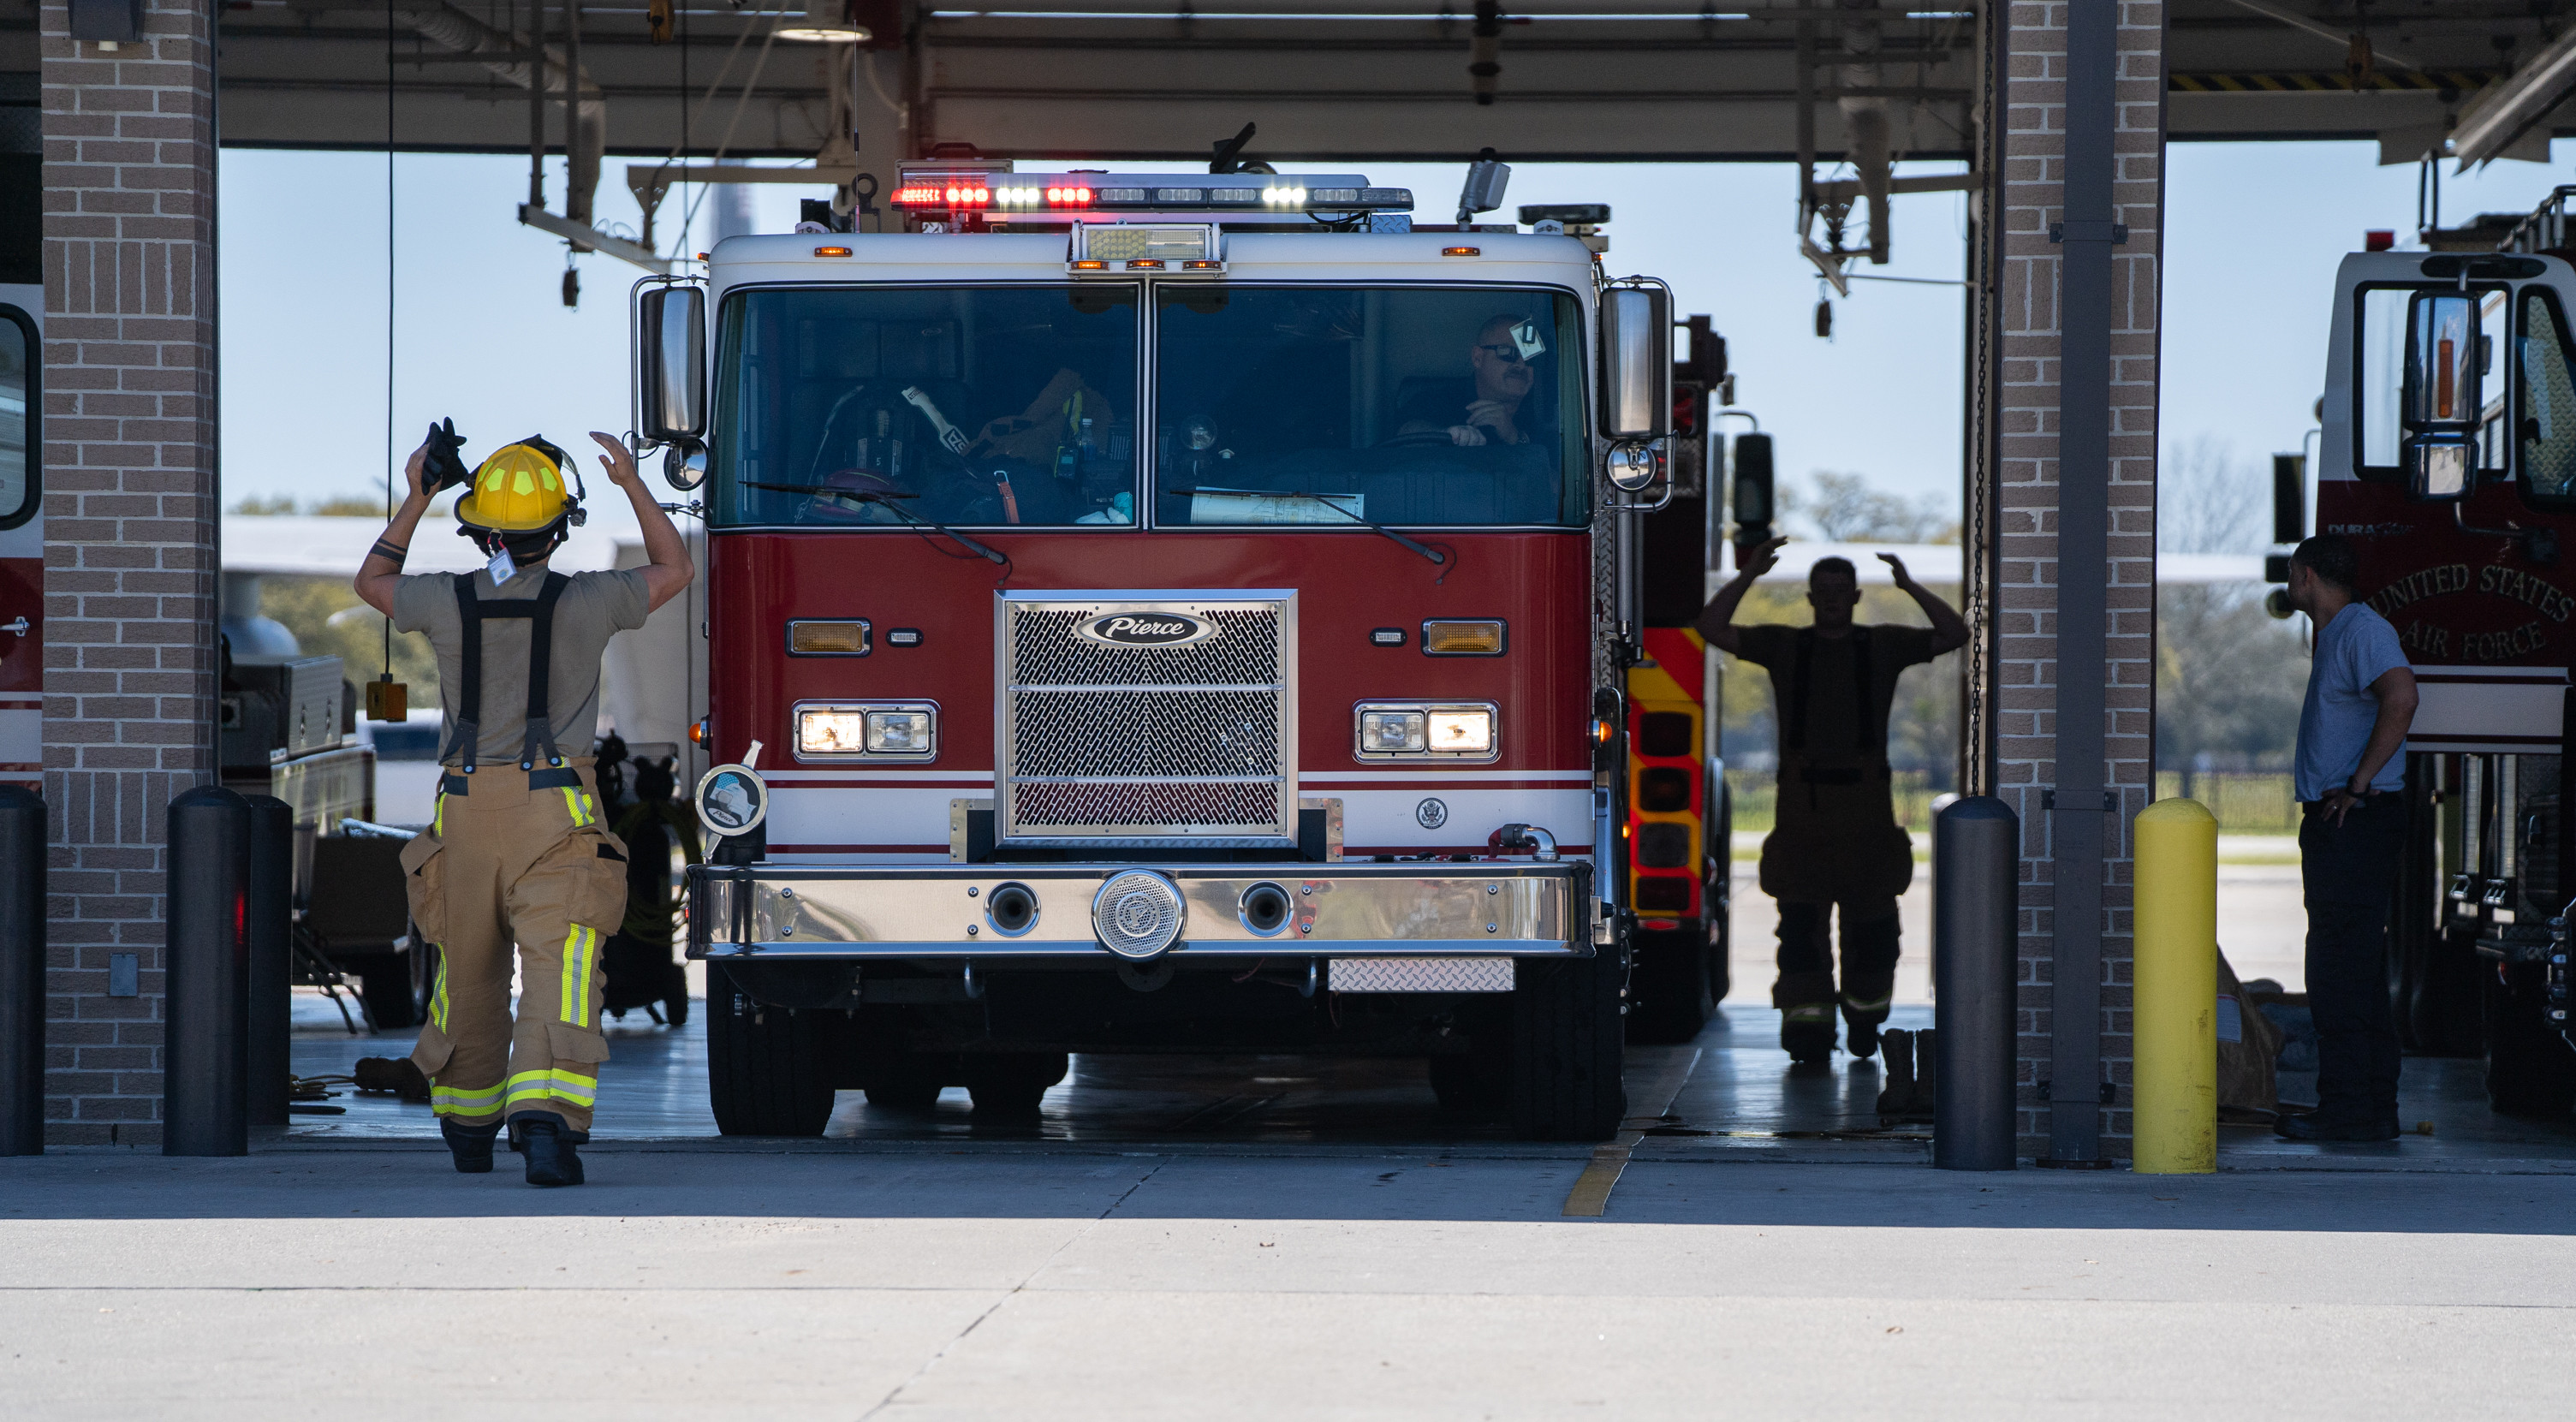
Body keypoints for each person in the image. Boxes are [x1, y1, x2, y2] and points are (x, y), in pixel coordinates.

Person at [354, 429, 694, 1186]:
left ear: (480, 530)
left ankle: (470, 1130)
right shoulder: (591, 601)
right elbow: (676, 567)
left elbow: (372, 582)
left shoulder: (443, 600)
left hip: (465, 813)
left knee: (467, 975)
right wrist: (634, 485)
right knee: (558, 973)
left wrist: (418, 495)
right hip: (556, 813)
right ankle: (545, 1128)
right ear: (559, 525)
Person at [1699, 538, 1968, 1063]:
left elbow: (1955, 633)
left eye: (1841, 590)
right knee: (1800, 932)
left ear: (1856, 597)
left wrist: (1909, 584)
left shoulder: (1884, 645)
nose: (1831, 598)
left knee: (1872, 931)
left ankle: (1866, 1021)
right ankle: (1809, 1033)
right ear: (1809, 597)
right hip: (1802, 815)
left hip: (1867, 817)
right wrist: (1751, 573)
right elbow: (1710, 627)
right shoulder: (1783, 646)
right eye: (1822, 590)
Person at [2276, 533, 2418, 1142]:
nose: (2288, 585)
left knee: (2337, 971)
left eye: (2290, 575)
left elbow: (2402, 697)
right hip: (2344, 820)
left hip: (2354, 821)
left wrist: (2356, 785)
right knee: (2351, 968)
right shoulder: (2335, 635)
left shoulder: (2362, 630)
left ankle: (2346, 1110)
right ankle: (2366, 1109)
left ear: (2307, 576)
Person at [1397, 313, 1549, 447]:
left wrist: (1515, 438)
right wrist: (1447, 434)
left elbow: (1557, 476)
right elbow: (1406, 432)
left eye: (1530, 358)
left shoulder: (1550, 414)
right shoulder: (1440, 399)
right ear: (1478, 358)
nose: (1521, 365)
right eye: (1508, 352)